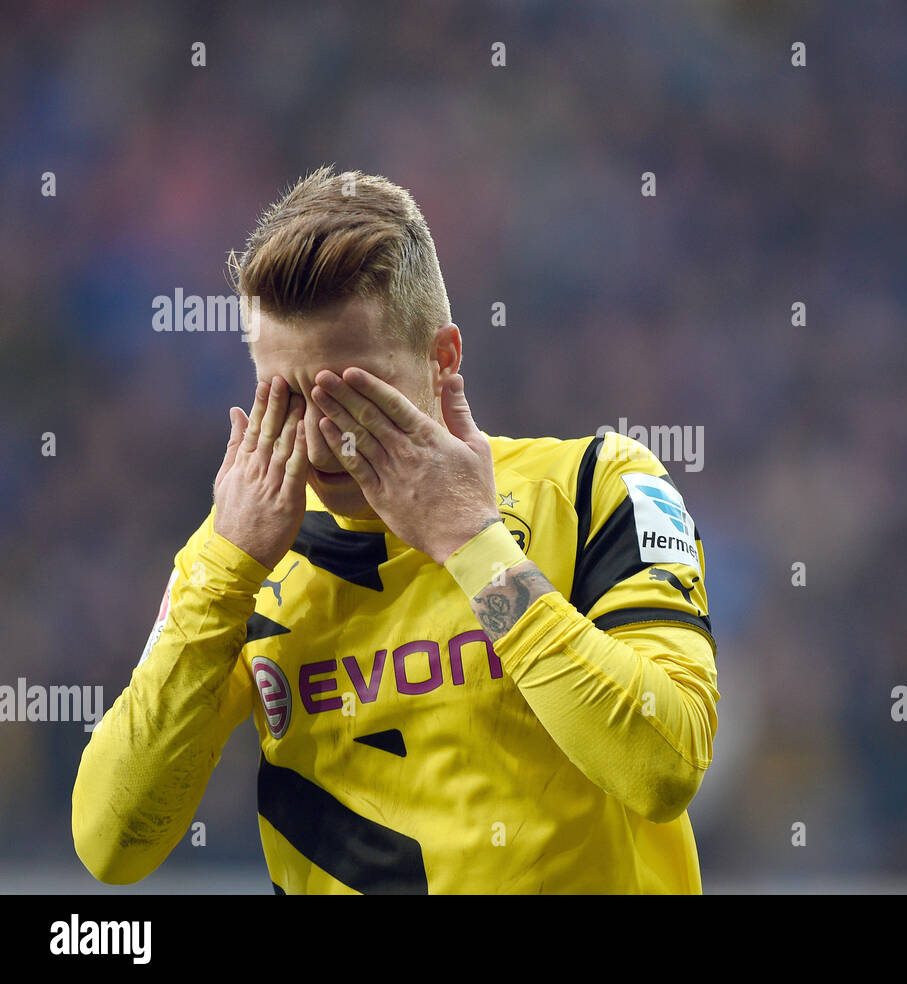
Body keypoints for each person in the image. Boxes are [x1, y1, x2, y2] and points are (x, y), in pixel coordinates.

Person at [71, 166, 719, 894]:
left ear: (443, 360)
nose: (318, 439)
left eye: (349, 393)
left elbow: (664, 767)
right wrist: (225, 570)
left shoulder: (594, 486)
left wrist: (474, 544)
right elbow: (110, 845)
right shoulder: (237, 559)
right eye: (283, 397)